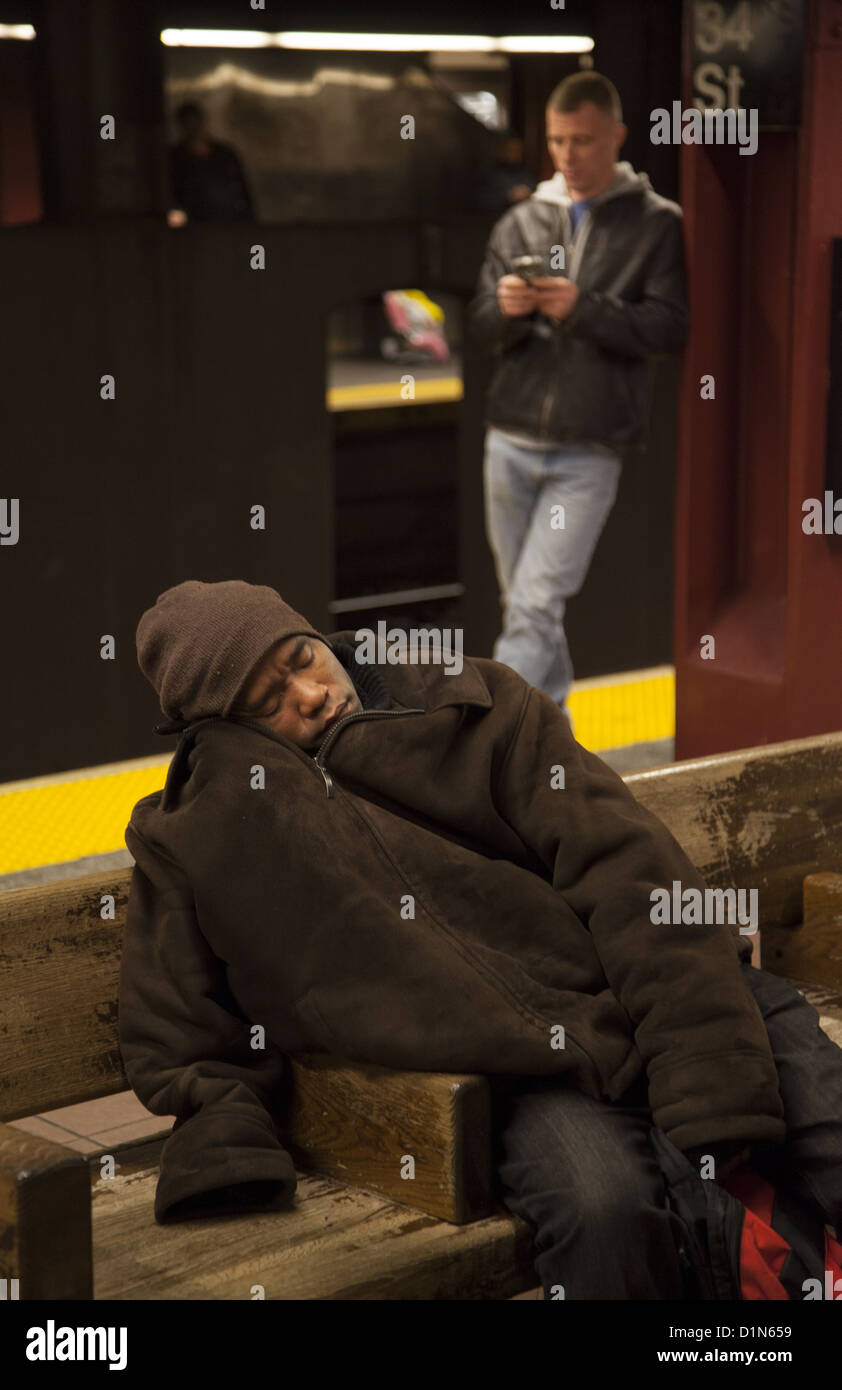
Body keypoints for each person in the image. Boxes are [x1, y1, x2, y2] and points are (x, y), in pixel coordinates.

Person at [120, 579, 842, 1298]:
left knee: (827, 1122)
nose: (309, 694)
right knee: (602, 1215)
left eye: (302, 658)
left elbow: (629, 868)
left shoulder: (473, 704)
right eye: (263, 703)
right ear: (221, 735)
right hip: (523, 1079)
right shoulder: (202, 834)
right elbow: (179, 1019)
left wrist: (701, 1053)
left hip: (665, 986)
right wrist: (222, 1131)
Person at [468, 72, 688, 710]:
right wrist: (506, 309)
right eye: (558, 141)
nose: (568, 155)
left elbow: (669, 326)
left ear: (616, 137)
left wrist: (580, 308)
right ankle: (552, 741)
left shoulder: (656, 224)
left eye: (583, 140)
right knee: (526, 606)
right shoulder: (520, 220)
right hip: (508, 440)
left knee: (536, 602)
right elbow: (481, 326)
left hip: (587, 450)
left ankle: (493, 738)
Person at [168, 102, 254, 224]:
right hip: (195, 224)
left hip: (229, 221)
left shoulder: (225, 155)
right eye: (188, 123)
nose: (193, 128)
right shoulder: (176, 158)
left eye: (195, 123)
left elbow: (242, 190)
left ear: (203, 123)